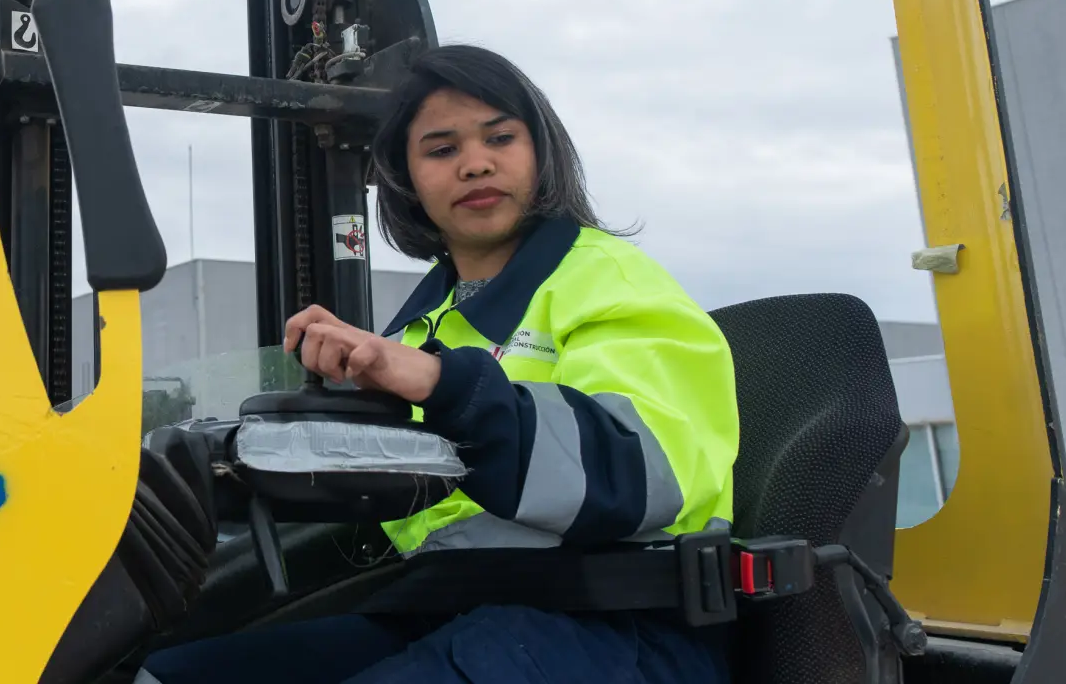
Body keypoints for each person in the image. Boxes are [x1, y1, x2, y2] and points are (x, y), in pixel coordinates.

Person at [139, 44, 740, 684]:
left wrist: (440, 382)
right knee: (170, 674)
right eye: (442, 149)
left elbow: (636, 474)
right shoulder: (428, 321)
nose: (476, 165)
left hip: (616, 626)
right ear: (407, 179)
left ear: (541, 151)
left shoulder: (609, 282)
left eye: (500, 138)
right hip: (460, 608)